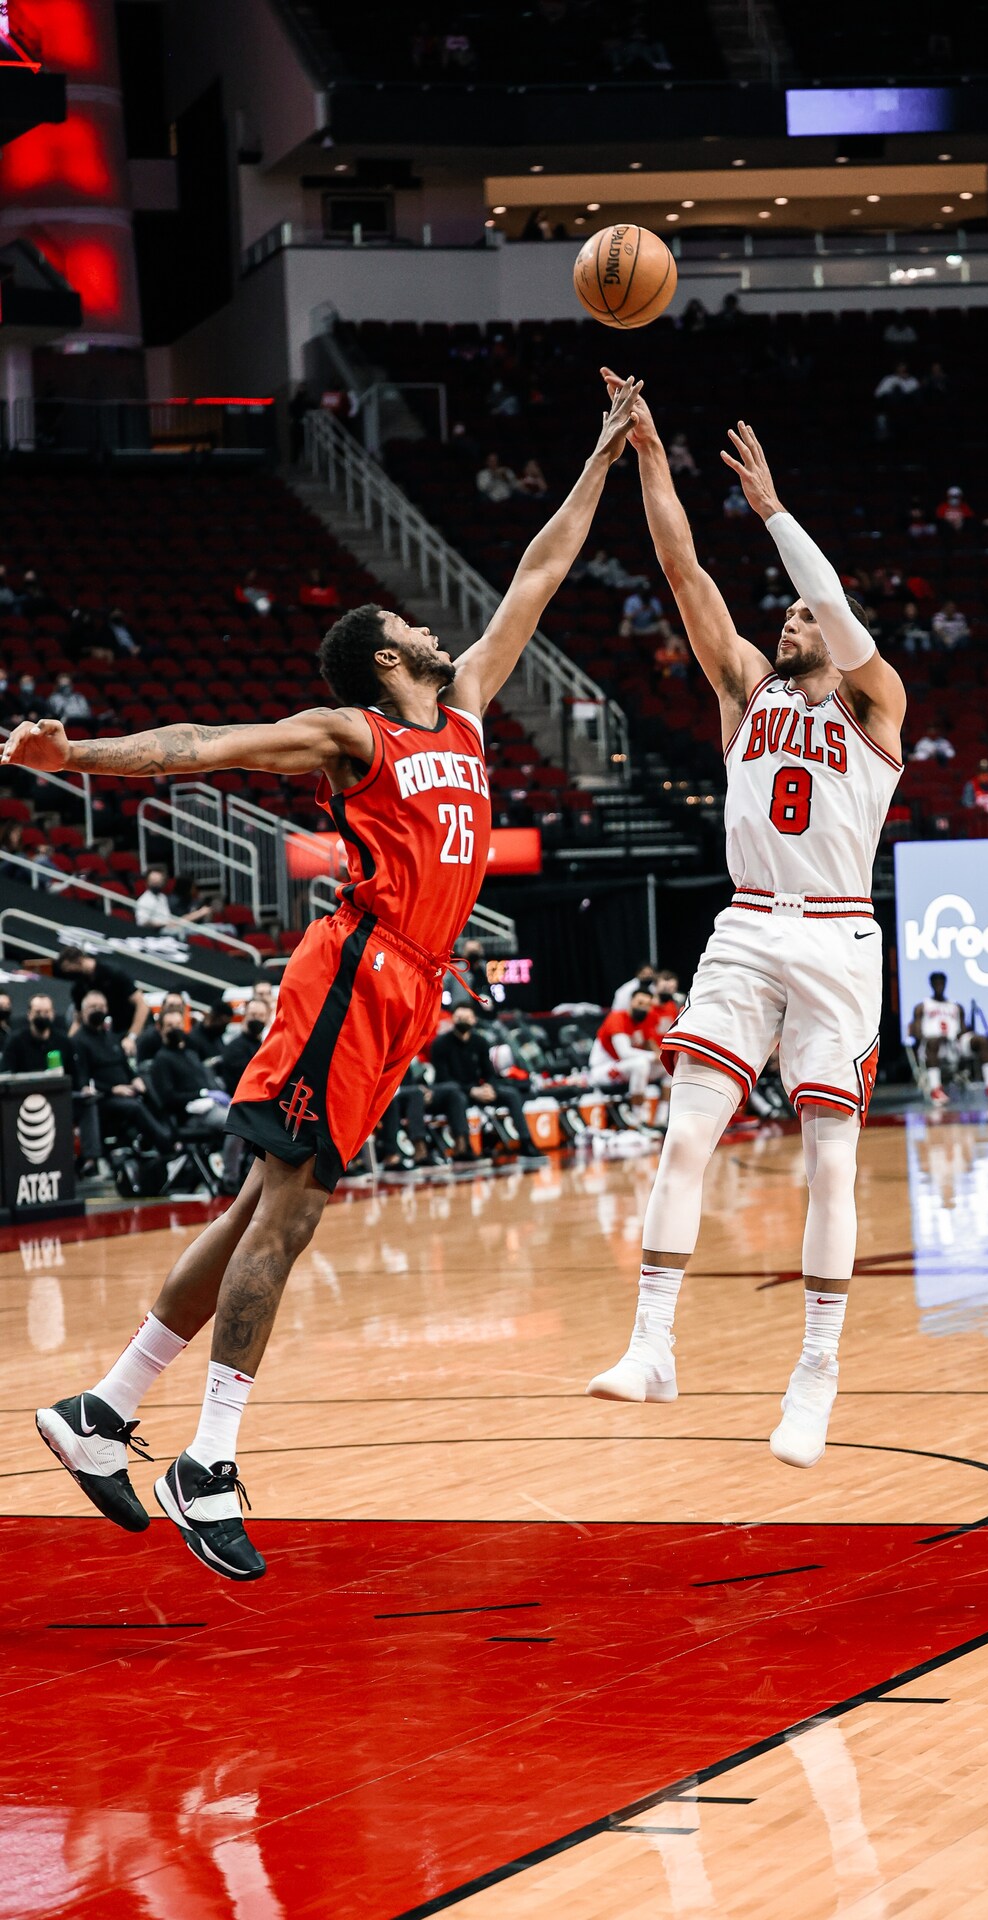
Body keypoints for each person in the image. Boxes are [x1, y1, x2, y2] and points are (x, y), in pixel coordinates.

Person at [21, 374, 641, 1582]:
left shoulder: (461, 717)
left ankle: (99, 1414)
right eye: (410, 629)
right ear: (381, 662)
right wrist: (75, 753)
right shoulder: (357, 734)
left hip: (407, 987)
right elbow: (203, 749)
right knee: (290, 1217)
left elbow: (538, 573)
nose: (432, 628)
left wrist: (605, 453)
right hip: (354, 971)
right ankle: (207, 1460)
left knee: (260, 1208)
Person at [588, 376, 905, 1471]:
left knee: (826, 1165)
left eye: (806, 611)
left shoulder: (875, 707)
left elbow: (835, 607)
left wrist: (773, 510)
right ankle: (650, 1347)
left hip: (835, 936)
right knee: (681, 1134)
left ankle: (813, 1376)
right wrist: (645, 456)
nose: (789, 617)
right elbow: (683, 570)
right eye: (785, 612)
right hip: (743, 928)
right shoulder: (744, 688)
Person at [431, 1004, 545, 1163]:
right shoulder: (440, 1044)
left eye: (466, 1018)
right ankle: (464, 1147)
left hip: (477, 1089)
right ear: (453, 1019)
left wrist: (490, 1087)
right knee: (457, 1097)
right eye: (459, 1018)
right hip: (453, 1091)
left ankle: (526, 1142)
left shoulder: (480, 1042)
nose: (463, 1021)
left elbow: (489, 1073)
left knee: (511, 1094)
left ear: (474, 1020)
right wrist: (471, 1090)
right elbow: (443, 1078)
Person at [70, 988, 171, 1155]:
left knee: (153, 1093)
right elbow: (83, 1079)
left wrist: (135, 1079)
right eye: (93, 1007)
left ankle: (169, 1138)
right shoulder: (78, 1041)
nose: (98, 1011)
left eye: (101, 1007)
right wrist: (112, 1089)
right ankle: (167, 1147)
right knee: (135, 1107)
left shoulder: (111, 1036)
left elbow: (125, 1065)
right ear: (83, 1012)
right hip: (103, 1097)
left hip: (126, 1089)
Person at [909, 971, 988, 1106]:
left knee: (981, 1040)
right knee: (934, 1042)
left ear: (945, 984)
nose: (939, 985)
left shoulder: (956, 1006)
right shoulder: (922, 1006)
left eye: (941, 982)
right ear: (931, 984)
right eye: (936, 982)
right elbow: (916, 1033)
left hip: (953, 1045)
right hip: (931, 1048)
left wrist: (960, 1037)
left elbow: (962, 1031)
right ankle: (936, 1089)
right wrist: (936, 1037)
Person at [54, 947, 148, 1045]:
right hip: (115, 1029)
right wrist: (68, 1044)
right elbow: (78, 1020)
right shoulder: (79, 986)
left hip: (137, 1026)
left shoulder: (112, 973)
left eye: (70, 969)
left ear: (79, 961)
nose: (69, 974)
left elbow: (142, 1005)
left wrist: (132, 1037)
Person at [589, 987, 663, 1105]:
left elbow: (649, 1043)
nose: (643, 1007)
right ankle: (637, 1118)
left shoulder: (645, 1019)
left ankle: (662, 1116)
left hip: (625, 1066)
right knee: (640, 1064)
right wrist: (653, 1056)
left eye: (647, 1005)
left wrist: (662, 1058)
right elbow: (624, 1053)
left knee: (668, 1067)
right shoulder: (617, 1018)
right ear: (631, 1001)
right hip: (604, 1068)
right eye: (640, 1003)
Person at [1, 992, 72, 1074]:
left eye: (46, 1012)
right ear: (29, 1014)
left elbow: (73, 1073)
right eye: (37, 1012)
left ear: (53, 1014)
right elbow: (5, 1073)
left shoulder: (63, 1042)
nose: (42, 1016)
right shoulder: (15, 1042)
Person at [217, 998, 269, 1096]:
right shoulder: (235, 1048)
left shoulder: (264, 1045)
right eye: (253, 1015)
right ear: (245, 1016)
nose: (257, 1018)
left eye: (261, 1015)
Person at [620, 579, 674, 645]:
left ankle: (669, 645)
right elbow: (627, 617)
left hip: (649, 626)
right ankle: (624, 647)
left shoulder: (654, 601)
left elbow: (660, 617)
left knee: (664, 623)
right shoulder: (631, 600)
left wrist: (652, 610)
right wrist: (639, 610)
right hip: (636, 627)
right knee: (625, 624)